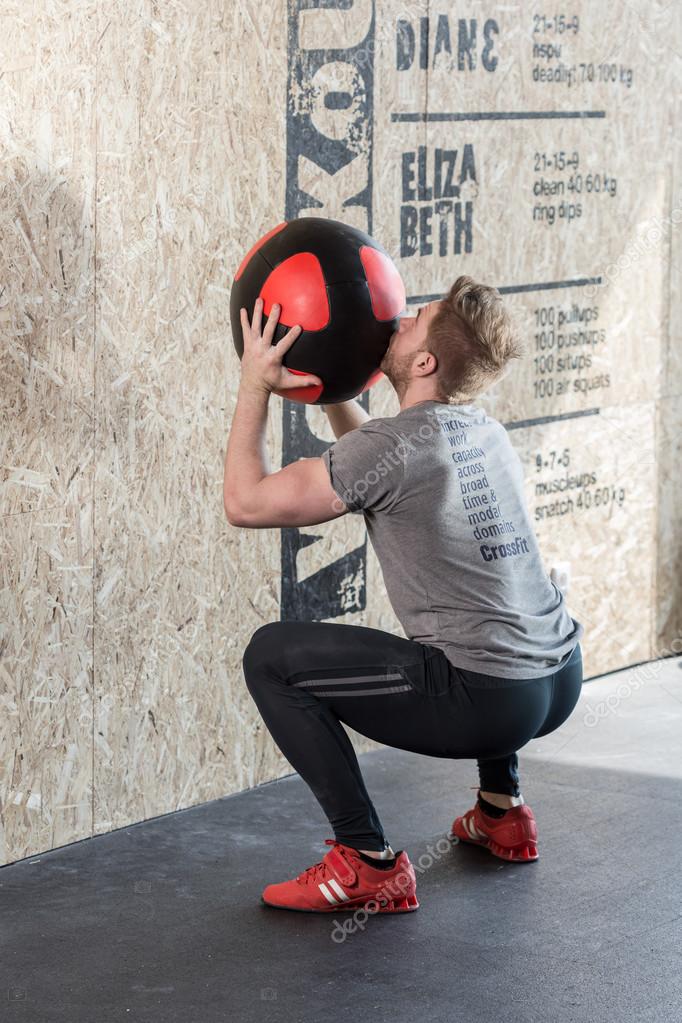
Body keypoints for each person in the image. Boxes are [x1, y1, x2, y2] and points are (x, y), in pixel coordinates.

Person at [223, 277, 585, 915]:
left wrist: (255, 380)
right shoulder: (481, 432)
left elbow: (245, 503)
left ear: (424, 363)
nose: (403, 316)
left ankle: (366, 862)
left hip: (487, 701)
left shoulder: (392, 448)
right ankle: (503, 811)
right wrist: (337, 392)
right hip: (556, 681)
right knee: (482, 623)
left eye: (418, 319)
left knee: (270, 657)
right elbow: (377, 461)